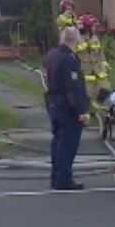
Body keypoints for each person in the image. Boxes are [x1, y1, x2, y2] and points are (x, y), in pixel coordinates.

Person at [44, 26, 90, 190]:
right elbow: (73, 88)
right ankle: (63, 179)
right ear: (76, 40)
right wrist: (81, 111)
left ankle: (56, 177)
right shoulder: (70, 59)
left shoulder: (52, 55)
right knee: (67, 145)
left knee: (57, 143)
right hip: (66, 108)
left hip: (54, 105)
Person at [76, 13, 112, 111]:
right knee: (87, 94)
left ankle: (95, 105)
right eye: (93, 26)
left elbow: (100, 54)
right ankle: (88, 110)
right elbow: (74, 53)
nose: (94, 28)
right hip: (85, 72)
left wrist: (105, 64)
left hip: (98, 71)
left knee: (106, 88)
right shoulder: (77, 39)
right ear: (87, 27)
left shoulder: (95, 39)